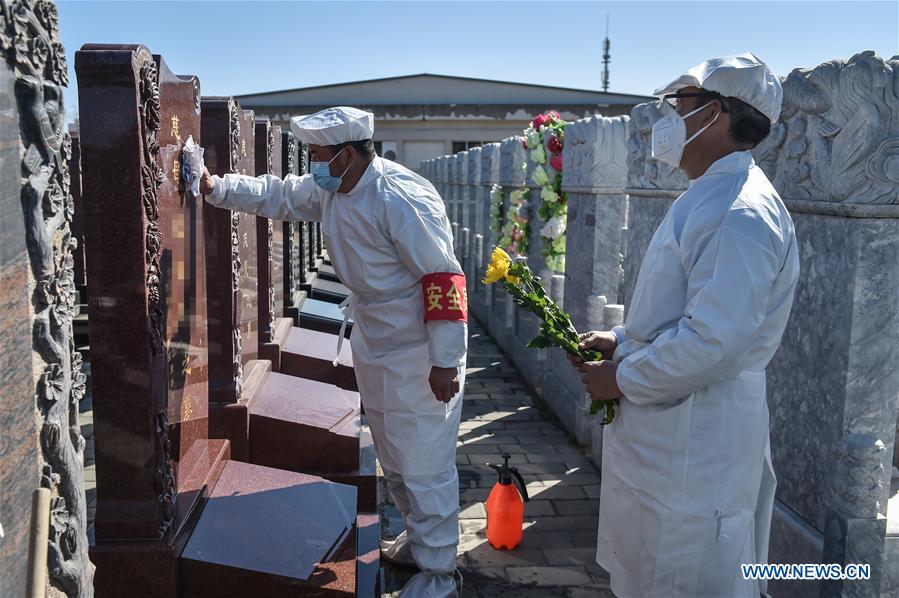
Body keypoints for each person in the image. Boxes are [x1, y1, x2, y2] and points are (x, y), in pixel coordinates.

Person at [199, 106, 466, 598]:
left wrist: (445, 361)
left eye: (319, 154)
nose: (313, 163)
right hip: (375, 339)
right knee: (394, 453)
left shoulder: (399, 197)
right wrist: (217, 187)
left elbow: (443, 278)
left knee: (424, 460)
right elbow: (278, 194)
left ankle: (440, 576)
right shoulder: (332, 189)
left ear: (346, 156)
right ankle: (423, 542)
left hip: (418, 350)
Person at [568, 53, 799, 597]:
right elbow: (680, 315)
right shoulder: (711, 196)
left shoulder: (738, 214)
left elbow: (711, 342)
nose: (667, 120)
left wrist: (620, 377)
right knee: (652, 567)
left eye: (680, 106)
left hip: (698, 442)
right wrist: (622, 339)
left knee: (686, 574)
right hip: (670, 438)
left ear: (714, 114)